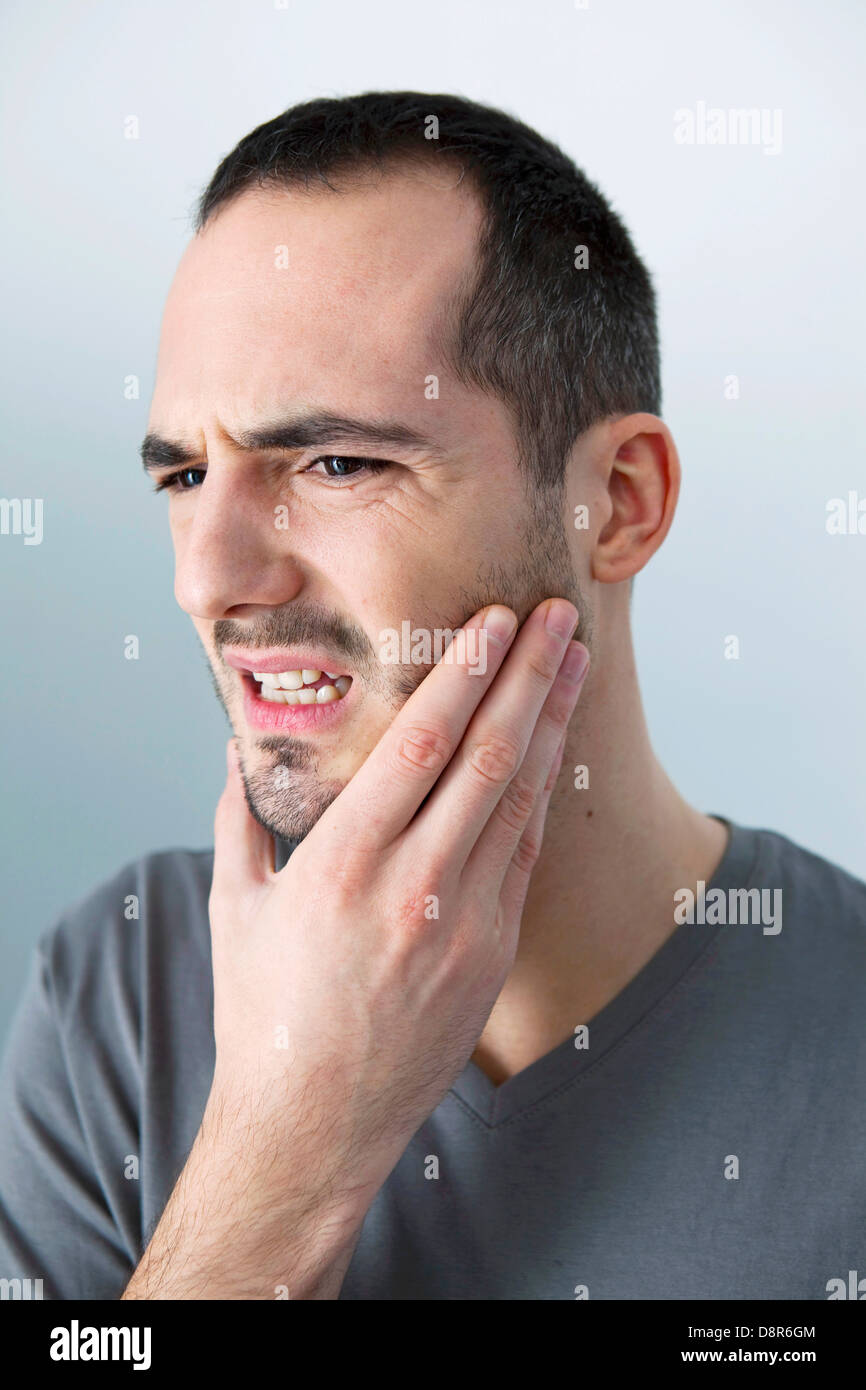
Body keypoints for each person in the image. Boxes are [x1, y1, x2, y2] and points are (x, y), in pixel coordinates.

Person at [1, 92, 863, 1302]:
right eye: (188, 474)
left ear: (613, 502)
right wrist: (282, 1153)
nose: (208, 579)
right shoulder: (116, 994)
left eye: (337, 462)